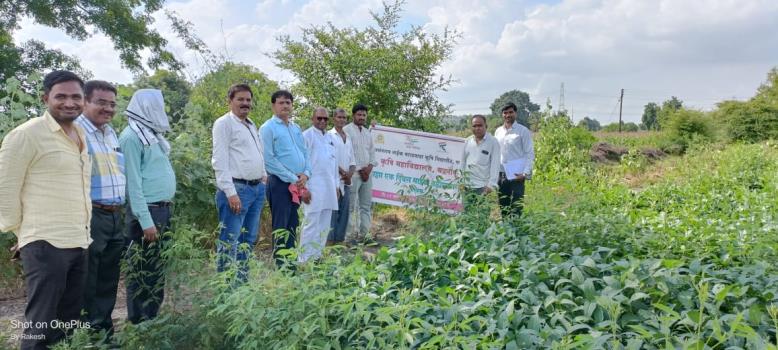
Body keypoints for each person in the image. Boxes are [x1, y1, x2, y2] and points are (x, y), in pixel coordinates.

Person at [0, 70, 91, 350]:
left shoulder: (80, 134)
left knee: (67, 323)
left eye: (76, 97)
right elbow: (5, 190)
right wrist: (25, 234)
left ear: (84, 101)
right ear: (45, 98)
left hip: (79, 239)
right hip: (45, 243)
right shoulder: (26, 135)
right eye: (60, 96)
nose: (69, 102)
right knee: (40, 325)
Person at [119, 89, 176, 324]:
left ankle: (152, 318)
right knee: (141, 271)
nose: (159, 110)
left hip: (161, 210)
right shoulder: (131, 137)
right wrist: (145, 221)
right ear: (144, 106)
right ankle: (138, 321)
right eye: (155, 105)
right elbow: (132, 183)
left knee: (157, 269)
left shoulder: (151, 135)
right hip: (146, 214)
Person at [75, 80, 126, 336]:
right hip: (91, 215)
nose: (107, 109)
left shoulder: (110, 133)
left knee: (108, 278)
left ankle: (104, 332)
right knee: (88, 279)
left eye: (112, 104)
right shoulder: (76, 132)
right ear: (85, 101)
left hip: (115, 214)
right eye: (101, 103)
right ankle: (86, 334)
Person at [212, 84, 267, 282]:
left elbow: (257, 153)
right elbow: (219, 160)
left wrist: (263, 177)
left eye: (248, 100)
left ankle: (241, 286)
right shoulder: (224, 123)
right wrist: (230, 192)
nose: (245, 103)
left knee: (248, 240)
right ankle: (226, 291)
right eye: (240, 99)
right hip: (237, 190)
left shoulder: (251, 124)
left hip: (256, 189)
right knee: (230, 241)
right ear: (230, 101)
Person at [259, 90, 311, 268]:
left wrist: (306, 174)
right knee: (281, 226)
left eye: (288, 103)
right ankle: (281, 266)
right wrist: (292, 178)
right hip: (280, 183)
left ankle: (291, 264)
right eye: (281, 103)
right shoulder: (268, 128)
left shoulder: (295, 128)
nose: (285, 106)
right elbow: (268, 159)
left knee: (293, 223)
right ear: (273, 105)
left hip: (297, 183)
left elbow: (305, 153)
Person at [300, 107, 339, 262]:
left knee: (324, 224)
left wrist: (336, 186)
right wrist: (303, 189)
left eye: (325, 119)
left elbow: (334, 164)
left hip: (329, 187)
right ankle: (303, 259)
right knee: (311, 223)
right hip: (313, 186)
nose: (322, 121)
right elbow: (301, 164)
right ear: (312, 118)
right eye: (319, 118)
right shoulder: (306, 136)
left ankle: (316, 257)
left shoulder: (331, 138)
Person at [493, 102, 535, 219]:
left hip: (517, 175)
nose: (508, 115)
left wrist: (525, 173)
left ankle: (517, 232)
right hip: (501, 175)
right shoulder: (498, 131)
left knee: (516, 206)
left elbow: (529, 153)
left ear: (515, 113)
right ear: (502, 115)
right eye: (505, 113)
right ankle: (506, 233)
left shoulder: (523, 131)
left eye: (510, 112)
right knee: (503, 206)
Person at [344, 104, 378, 243]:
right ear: (353, 116)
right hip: (353, 174)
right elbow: (346, 153)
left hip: (367, 174)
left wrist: (369, 168)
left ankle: (366, 235)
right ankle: (349, 237)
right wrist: (359, 169)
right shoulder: (346, 131)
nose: (362, 117)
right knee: (351, 207)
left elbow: (372, 152)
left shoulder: (367, 132)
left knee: (365, 206)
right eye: (359, 115)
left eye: (364, 115)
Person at [460, 114, 500, 210]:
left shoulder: (493, 142)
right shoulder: (467, 142)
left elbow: (495, 165)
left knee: (481, 218)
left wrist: (491, 186)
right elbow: (462, 162)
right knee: (467, 216)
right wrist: (461, 181)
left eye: (480, 125)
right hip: (467, 186)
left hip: (483, 188)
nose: (477, 128)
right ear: (471, 127)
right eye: (474, 126)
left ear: (486, 126)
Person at [328, 108, 355, 244]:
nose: (341, 120)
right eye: (339, 117)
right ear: (334, 119)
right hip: (333, 180)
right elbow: (329, 158)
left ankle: (339, 242)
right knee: (332, 212)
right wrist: (342, 172)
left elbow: (352, 161)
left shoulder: (348, 137)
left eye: (344, 118)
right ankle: (329, 243)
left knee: (344, 213)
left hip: (346, 181)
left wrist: (349, 174)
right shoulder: (328, 136)